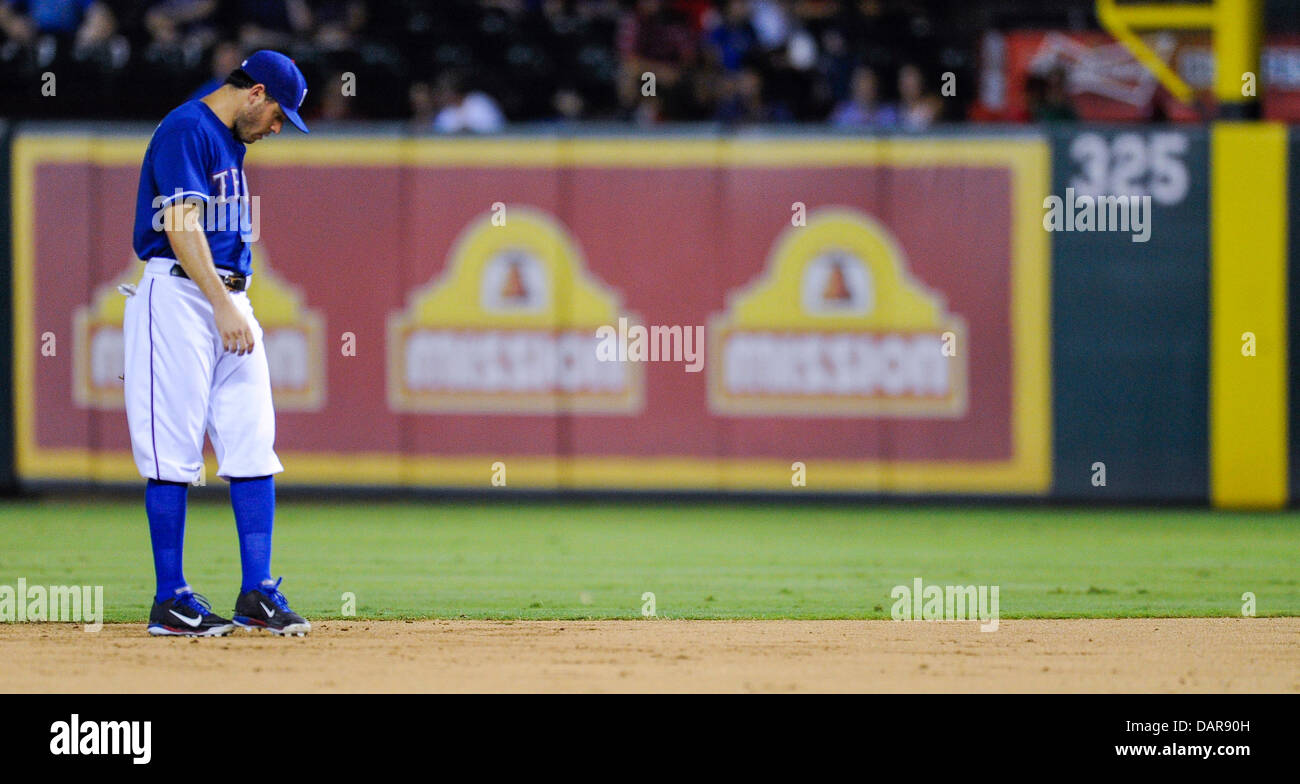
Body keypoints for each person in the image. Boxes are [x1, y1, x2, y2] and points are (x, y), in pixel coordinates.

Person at [125, 49, 311, 637]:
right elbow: (180, 226)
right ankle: (169, 599)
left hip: (226, 297)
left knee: (253, 441)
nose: (279, 127)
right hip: (180, 298)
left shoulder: (229, 139)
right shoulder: (188, 127)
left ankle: (257, 591)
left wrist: (232, 303)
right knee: (172, 451)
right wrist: (222, 304)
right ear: (255, 92)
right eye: (280, 114)